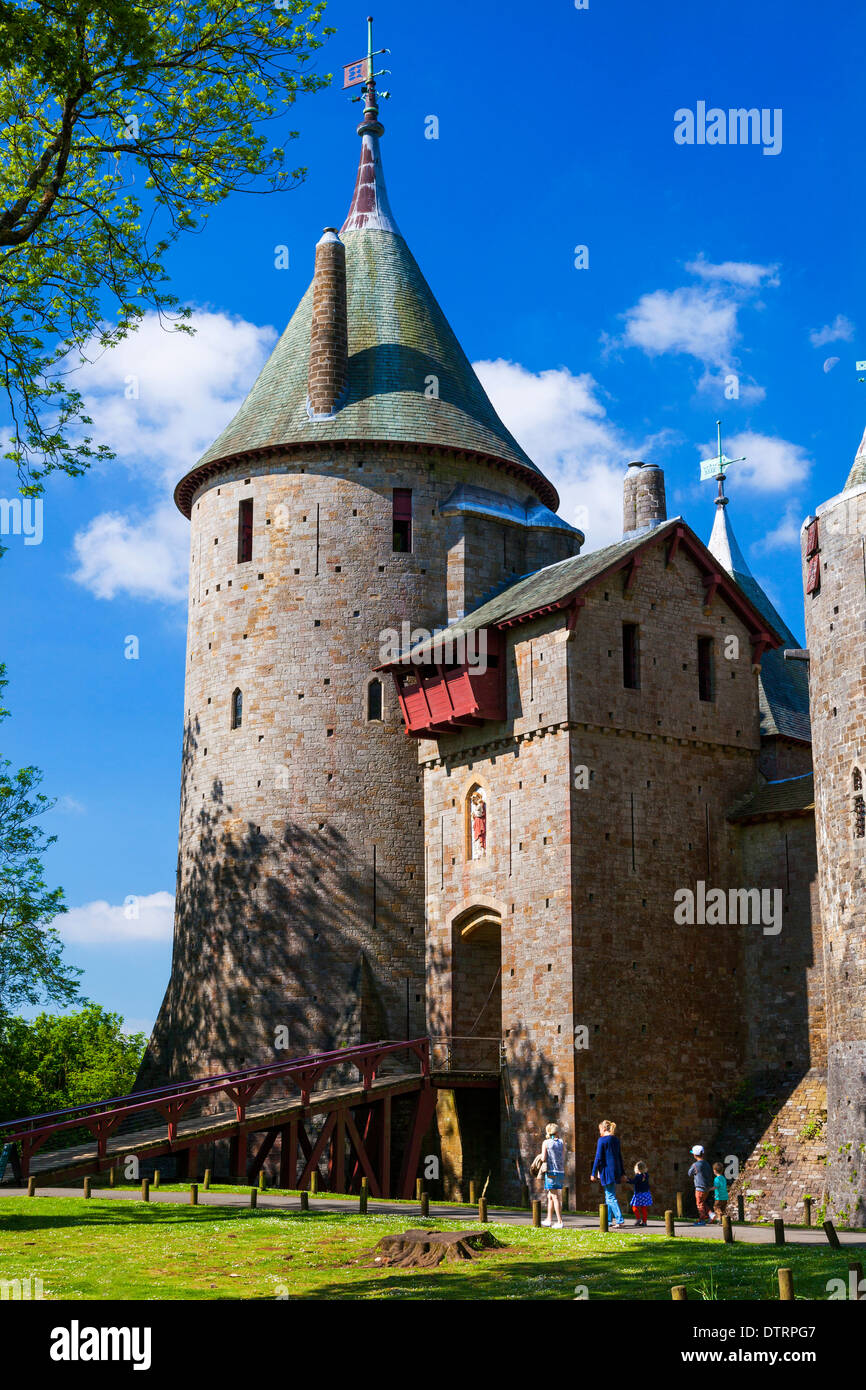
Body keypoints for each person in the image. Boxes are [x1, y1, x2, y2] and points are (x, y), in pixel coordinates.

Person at [590, 1119, 625, 1228]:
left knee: (610, 1196)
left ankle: (619, 1220)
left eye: (599, 1129)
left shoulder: (602, 1140)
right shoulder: (615, 1140)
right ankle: (608, 1220)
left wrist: (593, 1172)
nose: (599, 1132)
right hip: (615, 1170)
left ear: (604, 1129)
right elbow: (619, 1156)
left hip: (606, 1170)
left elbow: (598, 1157)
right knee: (608, 1195)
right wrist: (622, 1172)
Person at [540, 1122, 566, 1228]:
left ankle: (560, 1221)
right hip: (560, 1172)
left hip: (551, 1172)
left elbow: (543, 1158)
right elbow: (562, 1156)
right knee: (550, 1196)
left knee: (554, 1196)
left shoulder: (546, 1142)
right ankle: (549, 1219)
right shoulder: (561, 1142)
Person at [688, 1144, 714, 1225]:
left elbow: (689, 1173)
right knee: (702, 1202)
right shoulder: (706, 1164)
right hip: (707, 1188)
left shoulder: (695, 1165)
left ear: (695, 1155)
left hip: (699, 1187)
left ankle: (702, 1220)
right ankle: (711, 1214)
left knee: (699, 1204)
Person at [624, 1160, 652, 1225]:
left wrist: (626, 1180)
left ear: (637, 1169)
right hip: (646, 1194)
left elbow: (633, 1181)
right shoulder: (646, 1175)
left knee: (634, 1207)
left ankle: (638, 1218)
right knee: (644, 1208)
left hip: (639, 1194)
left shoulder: (638, 1176)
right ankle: (644, 1222)